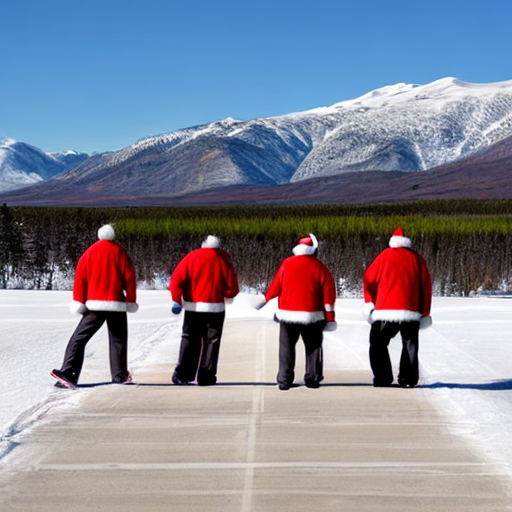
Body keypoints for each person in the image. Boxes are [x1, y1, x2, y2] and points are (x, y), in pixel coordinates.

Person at [51, 224, 138, 388]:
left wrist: (79, 301)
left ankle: (68, 372)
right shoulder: (119, 252)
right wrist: (131, 300)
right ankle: (119, 375)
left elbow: (80, 279)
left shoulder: (89, 253)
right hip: (116, 303)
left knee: (80, 337)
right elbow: (130, 277)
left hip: (94, 304)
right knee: (118, 339)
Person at [265, 234, 337, 390]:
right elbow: (329, 296)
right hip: (313, 315)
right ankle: (312, 378)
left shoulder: (286, 264)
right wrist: (330, 318)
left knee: (286, 347)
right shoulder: (320, 267)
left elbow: (275, 287)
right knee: (313, 347)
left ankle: (284, 379)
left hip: (288, 313)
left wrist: (265, 298)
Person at [363, 227, 432, 388]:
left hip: (386, 309)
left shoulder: (384, 256)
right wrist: (424, 312)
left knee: (377, 342)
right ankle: (408, 379)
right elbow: (426, 288)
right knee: (410, 344)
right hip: (411, 310)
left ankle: (383, 377)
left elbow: (368, 279)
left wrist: (370, 302)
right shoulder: (417, 259)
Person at [169, 235, 239, 386]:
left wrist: (177, 299)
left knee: (189, 338)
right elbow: (232, 287)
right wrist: (227, 295)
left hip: (193, 306)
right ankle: (206, 376)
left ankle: (183, 374)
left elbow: (176, 279)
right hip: (215, 307)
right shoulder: (223, 259)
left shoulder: (192, 257)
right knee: (212, 341)